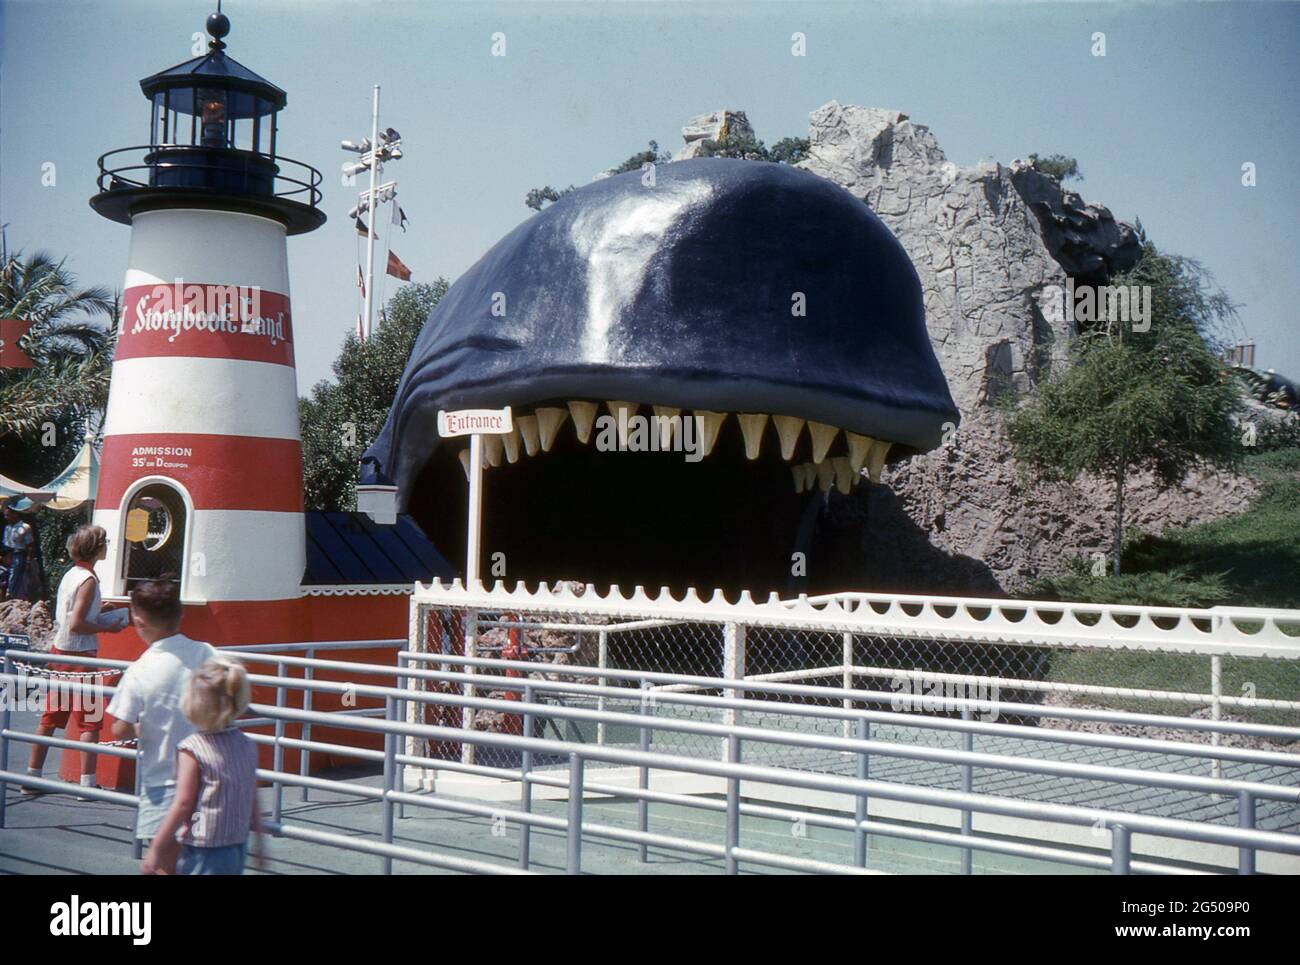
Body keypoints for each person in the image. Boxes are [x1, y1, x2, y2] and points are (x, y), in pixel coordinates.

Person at [107, 579, 216, 845]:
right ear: (180, 614)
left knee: (162, 864)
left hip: (162, 784)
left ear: (139, 620)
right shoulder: (208, 652)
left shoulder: (139, 670)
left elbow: (119, 728)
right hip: (209, 780)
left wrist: (139, 729)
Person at [26, 524, 127, 796]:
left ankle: (31, 776)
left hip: (61, 653)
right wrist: (109, 626)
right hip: (81, 658)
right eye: (105, 542)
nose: (108, 546)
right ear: (95, 548)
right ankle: (87, 783)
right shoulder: (90, 580)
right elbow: (78, 623)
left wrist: (100, 609)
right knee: (90, 722)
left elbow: (71, 613)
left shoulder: (73, 574)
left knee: (50, 717)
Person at [142, 657, 262, 875]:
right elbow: (252, 795)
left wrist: (156, 848)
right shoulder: (247, 745)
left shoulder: (192, 749)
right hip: (237, 844)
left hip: (203, 846)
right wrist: (261, 842)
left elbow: (183, 802)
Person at [2, 505, 36, 601]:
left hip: (19, 554)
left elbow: (30, 545)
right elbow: (6, 543)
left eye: (8, 515)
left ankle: (12, 597)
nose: (6, 518)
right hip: (7, 554)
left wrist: (28, 560)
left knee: (14, 577)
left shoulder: (25, 527)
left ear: (15, 514)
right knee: (5, 576)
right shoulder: (7, 527)